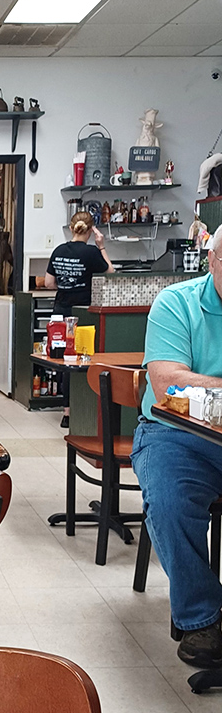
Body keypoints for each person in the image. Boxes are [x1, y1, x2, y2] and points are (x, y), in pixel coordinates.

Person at [131, 227, 222, 668]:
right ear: (212, 260)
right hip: (176, 434)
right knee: (170, 502)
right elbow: (168, 382)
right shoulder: (177, 303)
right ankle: (203, 617)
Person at [45, 212, 115, 427]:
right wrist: (102, 246)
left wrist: (66, 288)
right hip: (83, 314)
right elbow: (110, 272)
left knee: (62, 360)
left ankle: (66, 411)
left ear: (72, 227)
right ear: (91, 230)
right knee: (81, 360)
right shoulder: (92, 253)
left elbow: (49, 283)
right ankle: (83, 407)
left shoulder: (59, 250)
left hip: (60, 311)